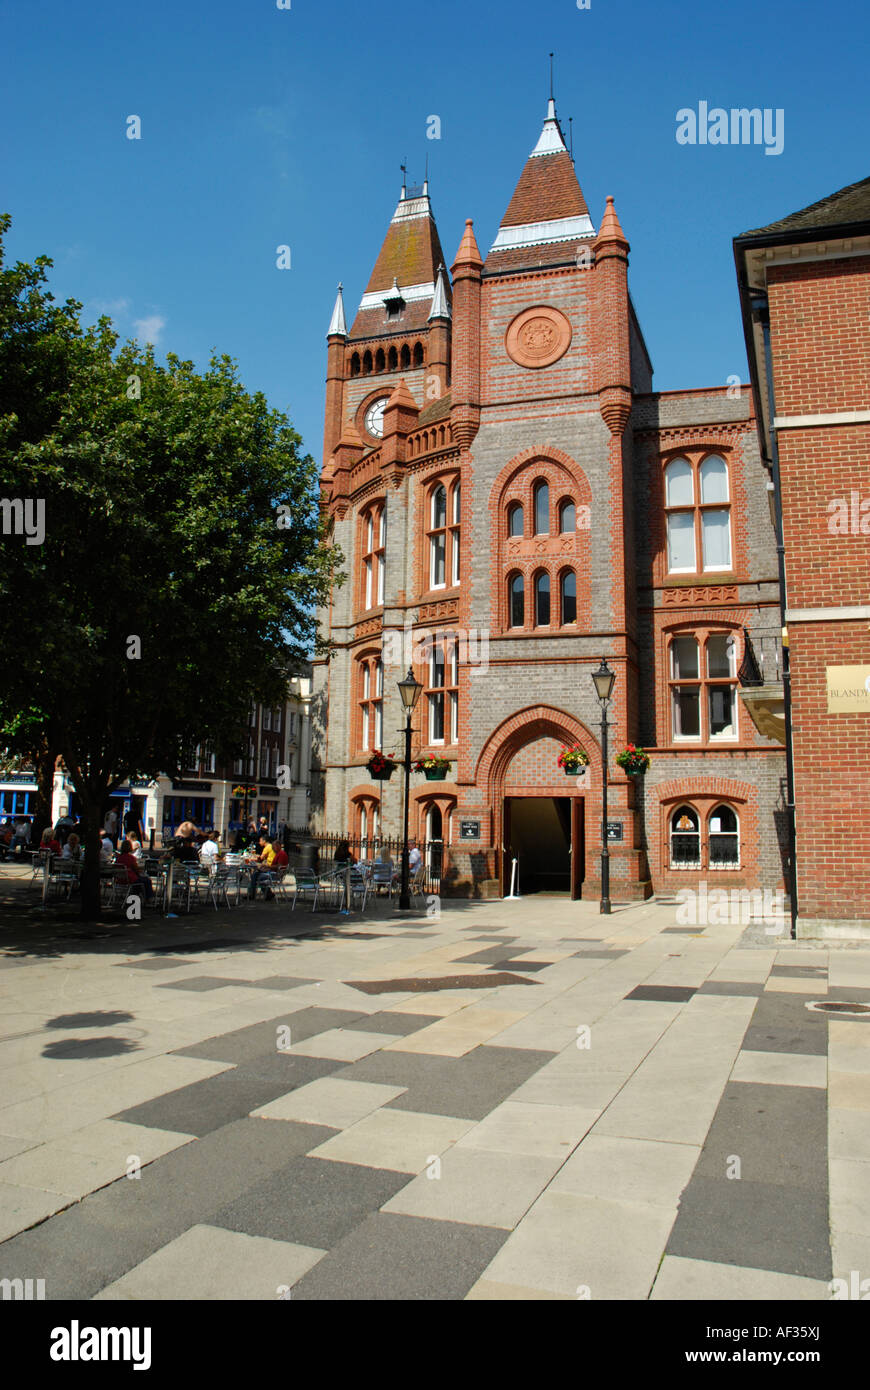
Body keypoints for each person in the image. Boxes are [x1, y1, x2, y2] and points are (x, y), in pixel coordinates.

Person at [248, 836, 276, 900]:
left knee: (254, 876)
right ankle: (268, 893)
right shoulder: (271, 846)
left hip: (270, 869)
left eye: (260, 841)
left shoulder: (267, 847)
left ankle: (252, 895)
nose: (259, 842)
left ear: (264, 841)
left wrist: (252, 859)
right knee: (258, 875)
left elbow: (261, 858)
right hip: (272, 869)